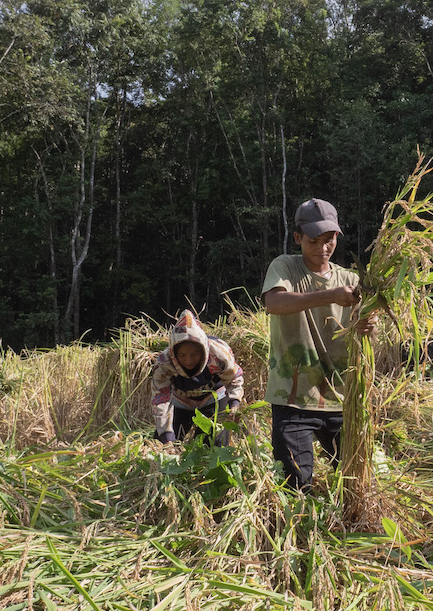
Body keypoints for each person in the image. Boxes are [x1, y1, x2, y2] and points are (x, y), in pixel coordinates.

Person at [260, 198, 373, 491]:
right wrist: (330, 296)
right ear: (298, 238)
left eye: (329, 239)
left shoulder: (351, 279)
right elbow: (274, 303)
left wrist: (366, 326)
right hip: (293, 398)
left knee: (355, 480)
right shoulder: (286, 267)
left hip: (342, 397)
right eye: (314, 240)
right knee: (295, 484)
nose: (323, 248)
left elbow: (363, 329)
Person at [150, 309, 245, 446]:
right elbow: (160, 398)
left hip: (213, 400)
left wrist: (234, 404)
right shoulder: (164, 364)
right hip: (180, 402)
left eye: (194, 355)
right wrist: (166, 436)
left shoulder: (219, 355)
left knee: (214, 445)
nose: (188, 361)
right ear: (174, 353)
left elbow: (234, 380)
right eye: (182, 355)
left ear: (203, 350)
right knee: (162, 444)